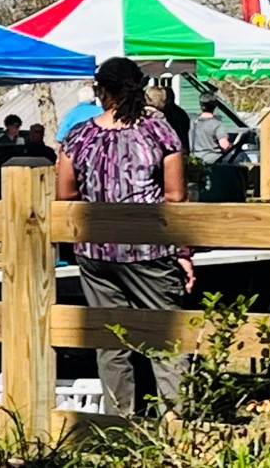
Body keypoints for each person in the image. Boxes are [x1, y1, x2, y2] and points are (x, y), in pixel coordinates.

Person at [57, 57, 193, 417]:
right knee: (166, 337)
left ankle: (119, 426)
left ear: (101, 90)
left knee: (110, 342)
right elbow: (175, 198)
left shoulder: (78, 135)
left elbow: (65, 195)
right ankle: (178, 426)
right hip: (148, 247)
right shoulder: (159, 130)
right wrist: (183, 251)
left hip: (97, 251)